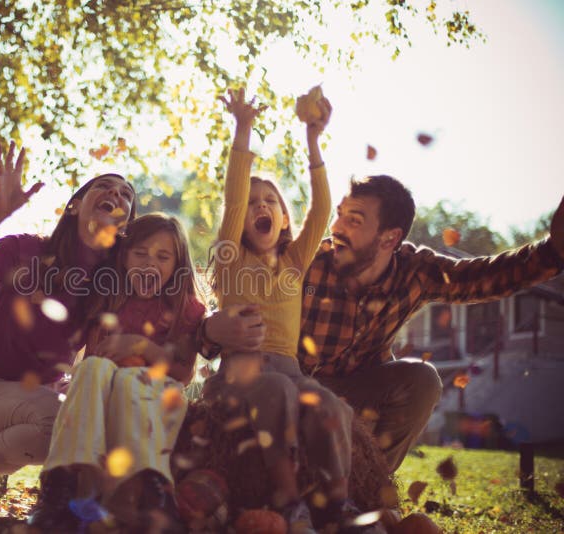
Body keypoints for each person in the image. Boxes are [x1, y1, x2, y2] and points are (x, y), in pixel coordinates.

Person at [202, 176, 564, 476]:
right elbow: (235, 294)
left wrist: (553, 252)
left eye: (354, 220)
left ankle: (366, 489)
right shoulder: (306, 260)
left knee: (422, 379)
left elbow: (479, 278)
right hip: (282, 390)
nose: (336, 228)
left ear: (389, 238)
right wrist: (209, 331)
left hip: (353, 396)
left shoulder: (414, 273)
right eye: (339, 215)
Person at [0, 140, 137, 519]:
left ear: (124, 228)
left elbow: (95, 364)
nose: (116, 194)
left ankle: (74, 512)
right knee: (60, 422)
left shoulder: (108, 287)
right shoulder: (24, 250)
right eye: (104, 186)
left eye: (126, 194)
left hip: (46, 395)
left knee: (102, 419)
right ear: (74, 206)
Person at [201, 87, 357, 533]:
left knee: (328, 403)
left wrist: (313, 142)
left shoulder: (294, 263)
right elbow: (234, 197)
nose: (260, 206)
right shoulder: (231, 258)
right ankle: (289, 501)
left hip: (290, 370)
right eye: (253, 204)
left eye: (270, 201)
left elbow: (322, 209)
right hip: (239, 374)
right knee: (277, 389)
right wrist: (243, 128)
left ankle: (337, 504)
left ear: (284, 219)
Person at [27, 213, 206, 532]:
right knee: (92, 367)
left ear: (177, 264)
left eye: (162, 257)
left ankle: (151, 489)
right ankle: (60, 485)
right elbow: (95, 363)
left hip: (158, 396)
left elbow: (182, 373)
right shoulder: (109, 301)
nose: (150, 263)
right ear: (124, 257)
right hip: (110, 397)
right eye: (140, 253)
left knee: (128, 379)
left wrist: (141, 346)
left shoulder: (184, 306)